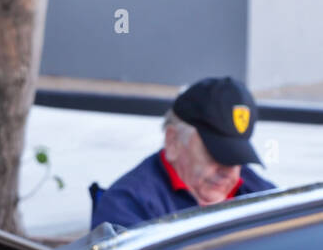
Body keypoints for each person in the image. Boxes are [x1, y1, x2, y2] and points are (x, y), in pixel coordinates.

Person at [90, 76, 275, 230]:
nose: (229, 171)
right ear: (173, 142)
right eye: (217, 155)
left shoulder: (261, 195)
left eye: (237, 159)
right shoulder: (127, 205)